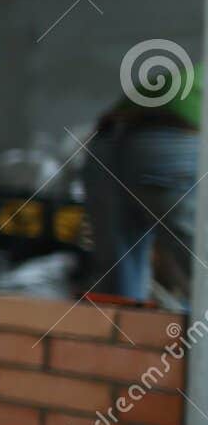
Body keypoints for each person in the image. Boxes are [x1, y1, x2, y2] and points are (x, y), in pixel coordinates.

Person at [83, 63, 201, 307]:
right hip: (174, 141)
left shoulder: (195, 74)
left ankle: (115, 342)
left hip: (106, 142)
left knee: (118, 287)